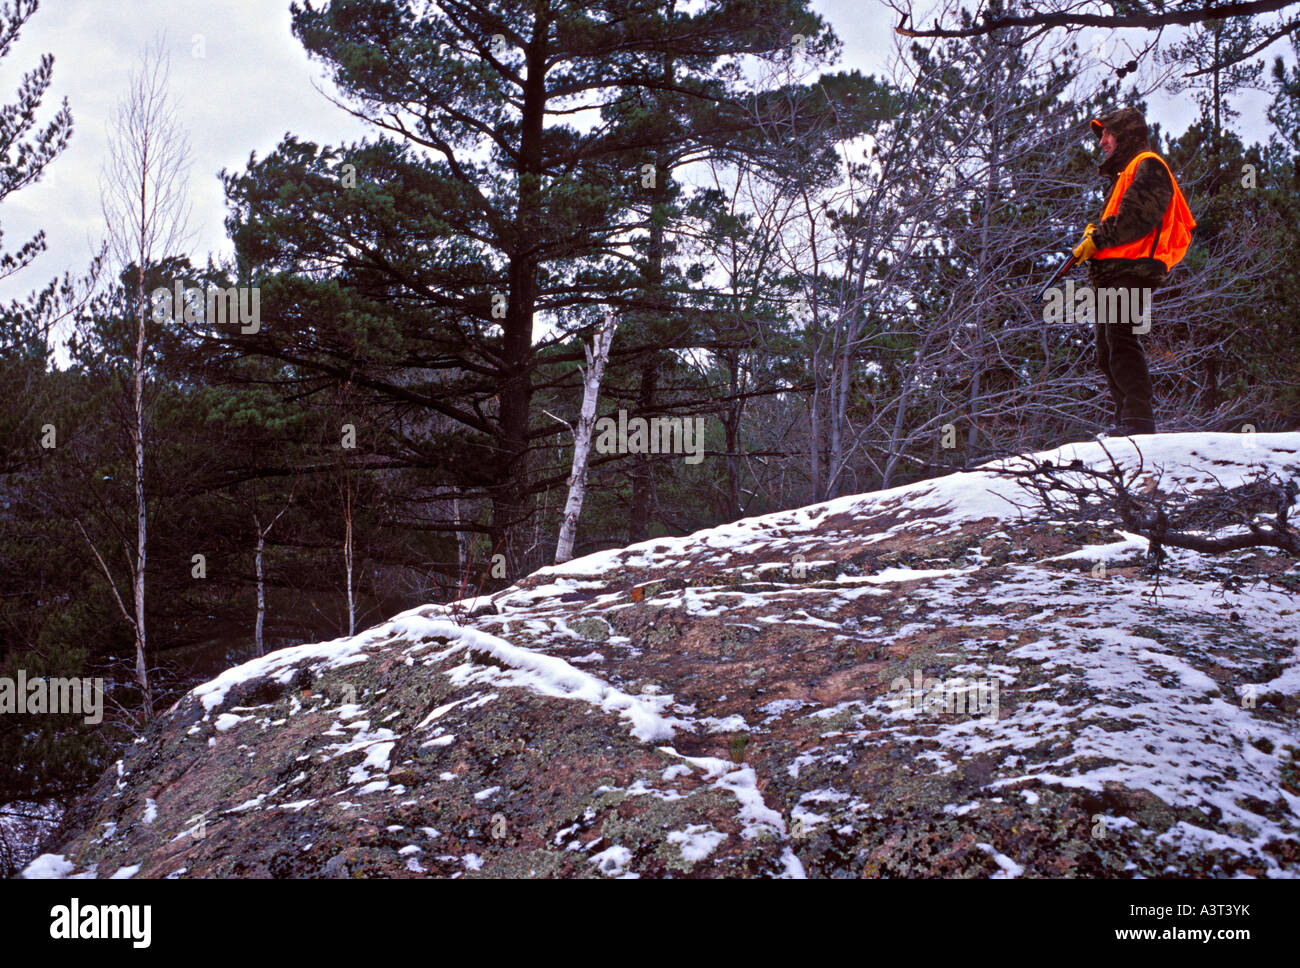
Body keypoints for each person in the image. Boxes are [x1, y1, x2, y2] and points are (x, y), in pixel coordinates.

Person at [1071, 107, 1191, 436]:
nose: (1103, 142)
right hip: (1116, 270)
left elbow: (1138, 218)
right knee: (1107, 348)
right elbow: (1121, 219)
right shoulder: (1126, 173)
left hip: (1134, 268)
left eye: (1108, 134)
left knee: (1120, 340)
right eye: (1102, 136)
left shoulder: (1148, 164)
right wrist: (1094, 235)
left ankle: (1138, 423)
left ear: (1126, 135)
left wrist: (1097, 238)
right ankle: (1126, 422)